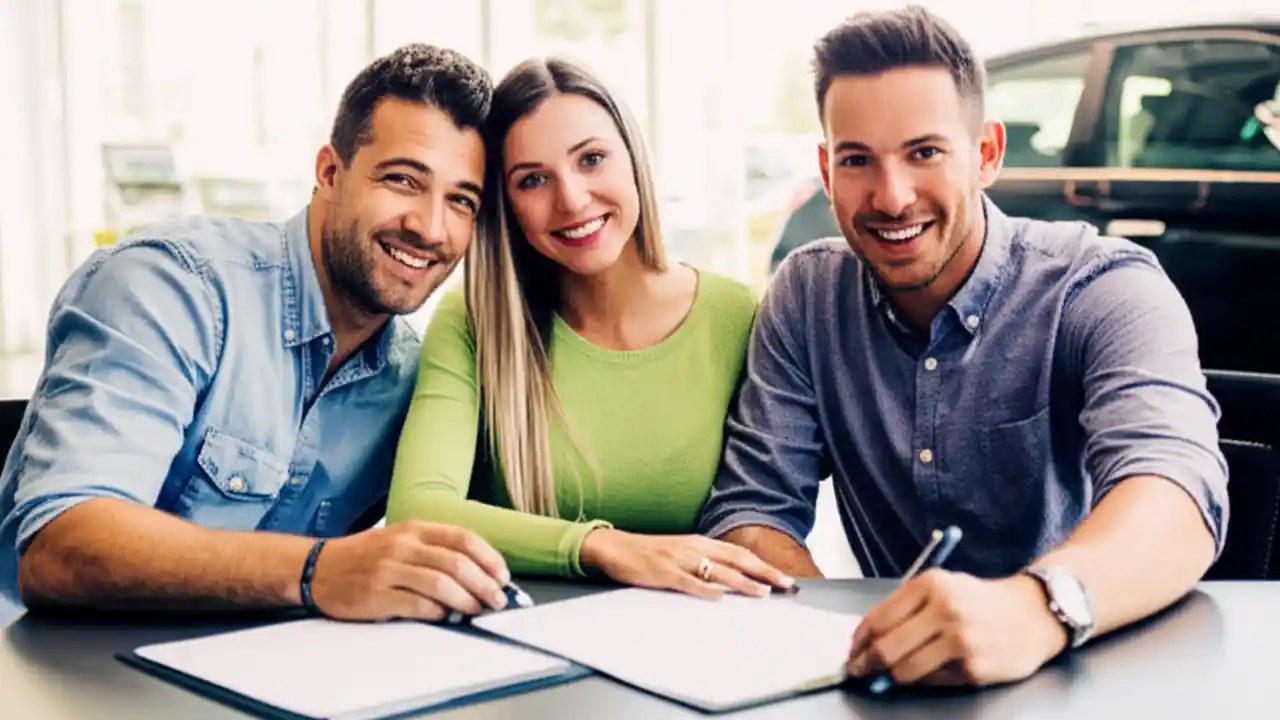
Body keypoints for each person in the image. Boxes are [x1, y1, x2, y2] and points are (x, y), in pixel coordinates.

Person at [699, 6, 1228, 687]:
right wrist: (834, 643)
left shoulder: (1100, 285)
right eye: (859, 160)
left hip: (1087, 671)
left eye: (925, 152)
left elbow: (1178, 493)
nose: (891, 198)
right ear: (828, 173)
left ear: (985, 155)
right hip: (901, 684)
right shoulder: (805, 296)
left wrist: (1037, 609)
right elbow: (752, 510)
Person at [0, 44, 514, 622]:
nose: (429, 227)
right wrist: (319, 569)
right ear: (329, 172)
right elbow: (58, 548)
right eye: (401, 180)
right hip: (51, 679)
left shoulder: (408, 379)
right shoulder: (171, 287)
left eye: (461, 201)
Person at [386, 57, 792, 598]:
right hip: (516, 641)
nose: (572, 199)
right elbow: (417, 512)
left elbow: (766, 515)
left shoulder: (737, 317)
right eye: (533, 180)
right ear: (507, 206)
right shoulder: (473, 322)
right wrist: (606, 547)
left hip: (697, 641)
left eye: (592, 160)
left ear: (633, 160)